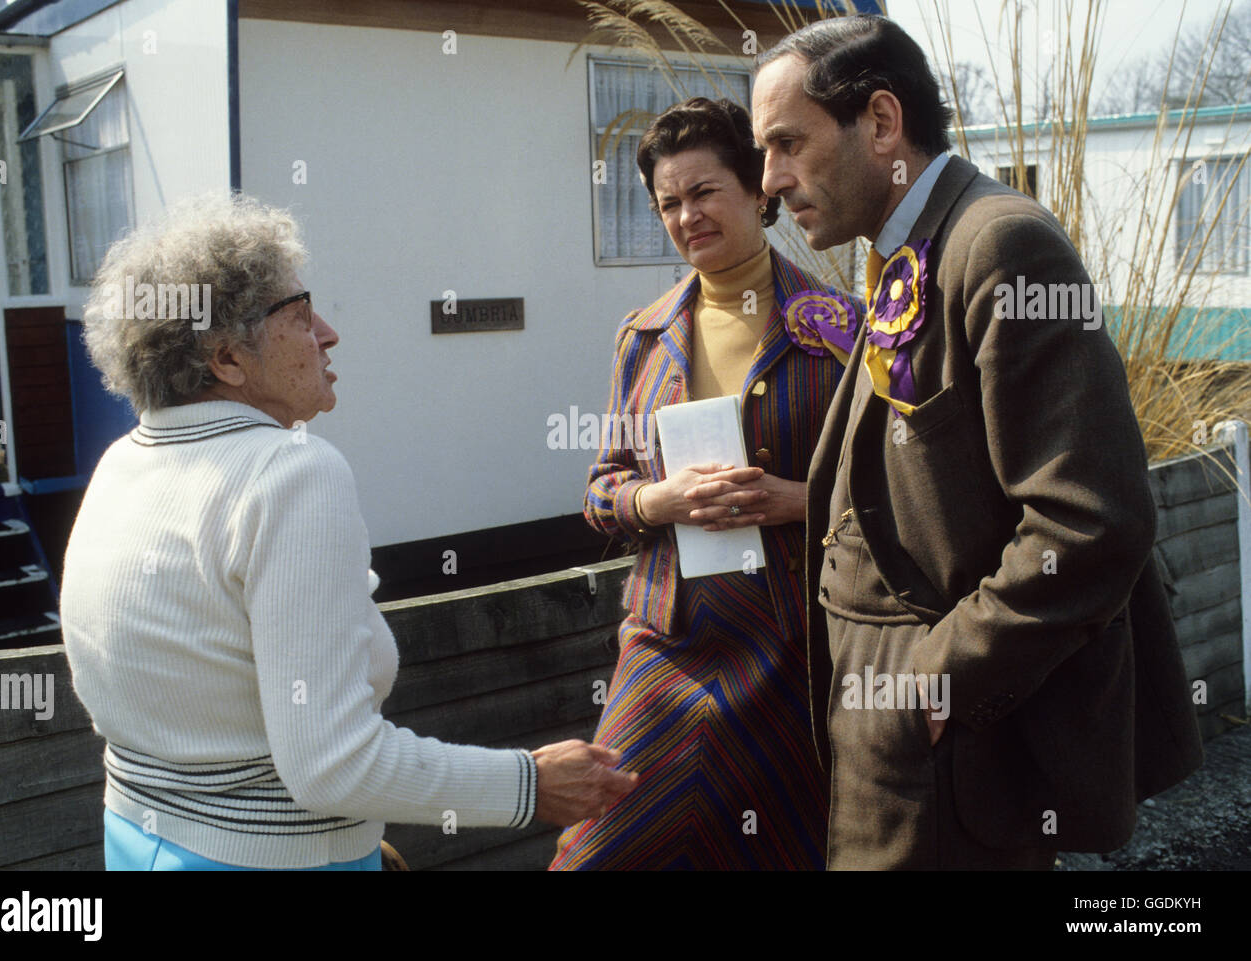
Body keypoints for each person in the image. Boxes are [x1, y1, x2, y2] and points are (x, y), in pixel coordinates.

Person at [61, 193, 636, 871]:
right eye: (300, 316)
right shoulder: (290, 472)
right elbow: (330, 765)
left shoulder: (123, 464)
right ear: (226, 360)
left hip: (137, 843)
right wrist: (529, 784)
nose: (329, 332)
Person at [749, 15, 1203, 869]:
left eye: (786, 143)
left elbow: (1090, 522)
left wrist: (935, 682)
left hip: (955, 765)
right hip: (889, 744)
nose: (768, 182)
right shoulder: (906, 246)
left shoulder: (1000, 244)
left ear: (881, 123)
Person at [550, 98, 858, 870]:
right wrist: (659, 500)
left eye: (704, 191)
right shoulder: (643, 335)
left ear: (758, 188)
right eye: (668, 203)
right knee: (598, 847)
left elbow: (896, 489)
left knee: (783, 847)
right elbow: (601, 492)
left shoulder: (843, 328)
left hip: (796, 642)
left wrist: (797, 500)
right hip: (669, 642)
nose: (687, 215)